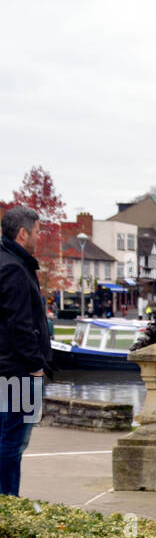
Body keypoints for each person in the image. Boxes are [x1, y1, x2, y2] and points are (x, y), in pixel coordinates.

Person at [0, 205, 51, 497]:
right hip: (18, 372)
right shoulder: (14, 269)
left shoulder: (7, 261)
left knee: (6, 436)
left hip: (7, 369)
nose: (39, 236)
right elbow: (21, 325)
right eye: (36, 231)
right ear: (22, 234)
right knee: (14, 440)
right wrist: (36, 367)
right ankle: (9, 501)